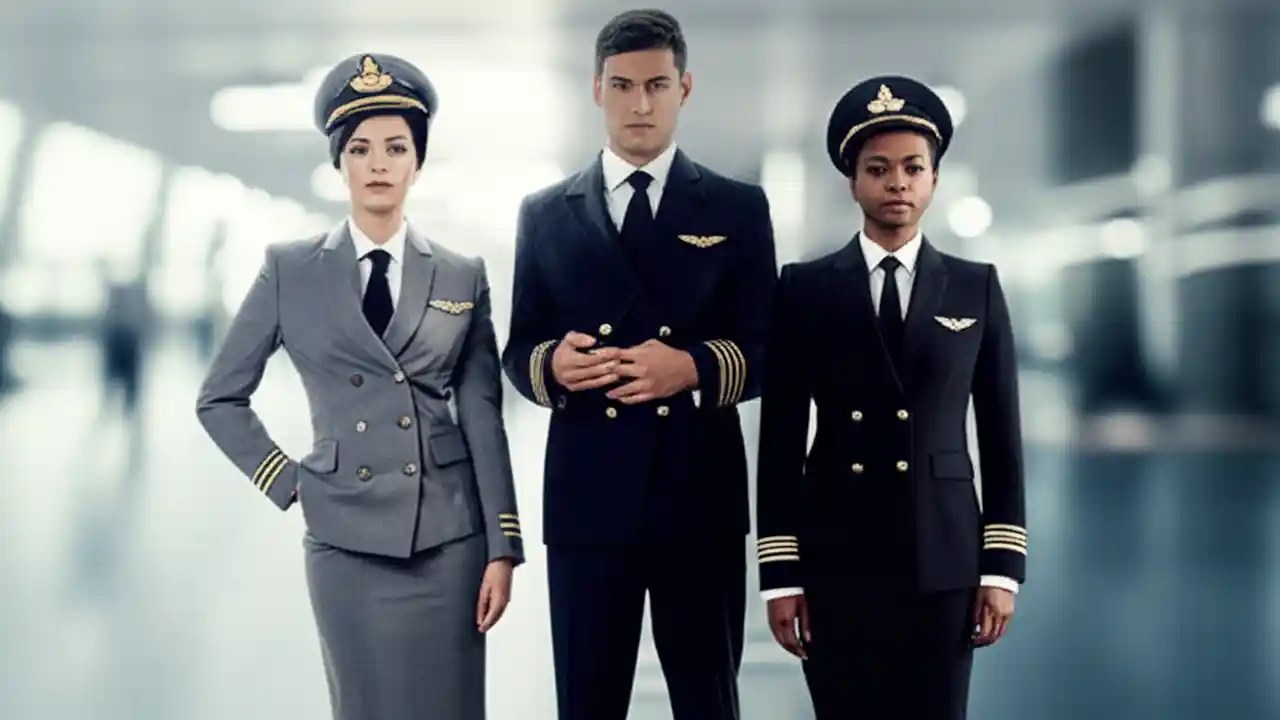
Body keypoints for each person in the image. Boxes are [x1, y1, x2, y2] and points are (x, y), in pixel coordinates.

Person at [195, 52, 523, 720]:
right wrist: (289, 481)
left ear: (418, 162)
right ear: (338, 162)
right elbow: (220, 397)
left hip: (450, 540)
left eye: (396, 148)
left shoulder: (463, 275)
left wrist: (502, 546)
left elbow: (482, 416)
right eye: (362, 149)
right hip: (345, 541)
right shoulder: (290, 270)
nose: (379, 164)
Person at [500, 9, 777, 720]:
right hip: (589, 498)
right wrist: (552, 367)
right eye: (622, 85)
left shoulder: (738, 208)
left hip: (698, 495)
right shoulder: (545, 213)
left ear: (686, 87)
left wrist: (689, 368)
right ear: (596, 90)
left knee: (708, 701)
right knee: (587, 704)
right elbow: (518, 347)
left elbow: (769, 346)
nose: (640, 104)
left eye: (657, 85)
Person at [755, 76, 1027, 719]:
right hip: (835, 558)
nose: (897, 183)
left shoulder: (974, 287)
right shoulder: (806, 289)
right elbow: (780, 443)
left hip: (945, 558)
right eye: (878, 169)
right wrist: (782, 575)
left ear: (934, 179)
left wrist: (1001, 568)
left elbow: (1001, 438)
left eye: (913, 168)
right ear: (853, 182)